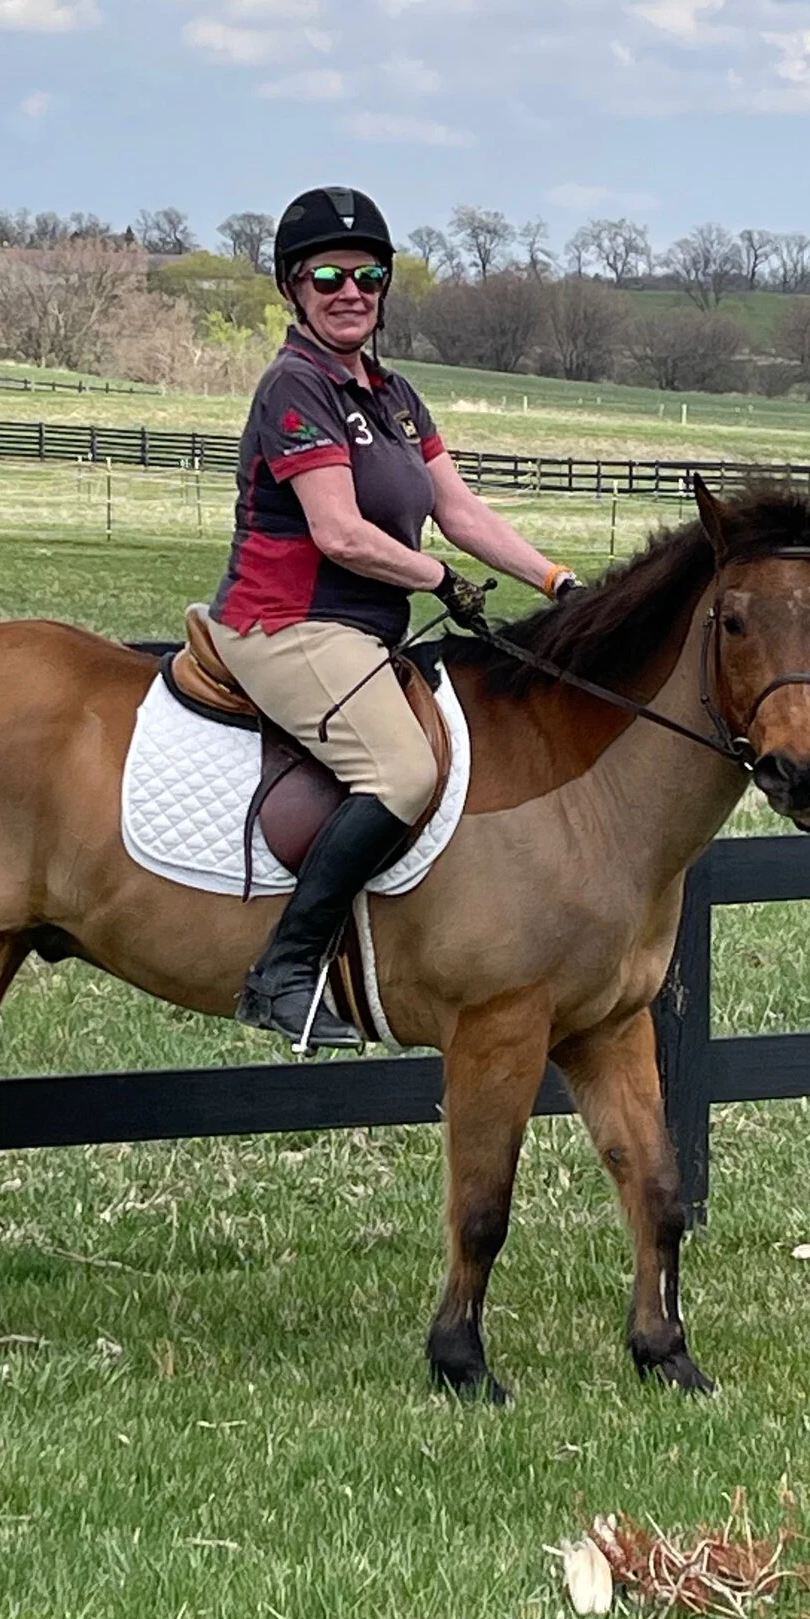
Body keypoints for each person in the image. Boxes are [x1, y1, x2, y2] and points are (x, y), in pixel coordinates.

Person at [208, 184, 581, 1050]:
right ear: (293, 288)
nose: (350, 292)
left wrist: (557, 581)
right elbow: (339, 533)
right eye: (327, 277)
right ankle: (282, 973)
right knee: (403, 773)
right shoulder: (294, 387)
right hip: (288, 623)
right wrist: (438, 578)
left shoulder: (394, 394)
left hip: (362, 631)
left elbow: (460, 509)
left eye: (367, 277)